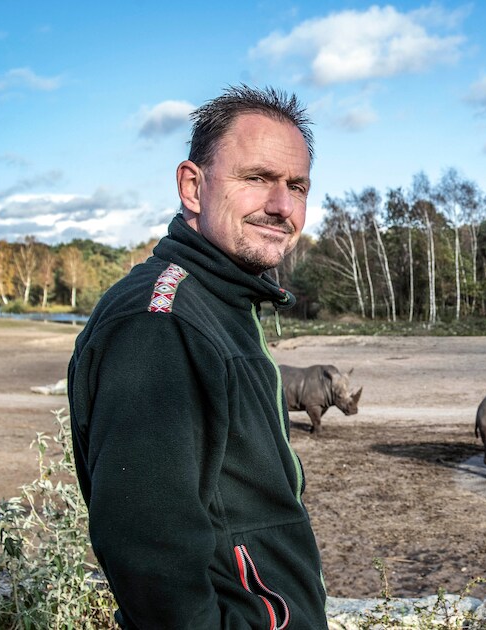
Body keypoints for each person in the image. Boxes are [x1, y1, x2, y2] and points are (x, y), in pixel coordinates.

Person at [67, 85, 328, 629]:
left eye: (296, 185)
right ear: (192, 186)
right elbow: (150, 551)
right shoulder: (160, 323)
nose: (281, 205)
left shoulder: (222, 304)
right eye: (257, 178)